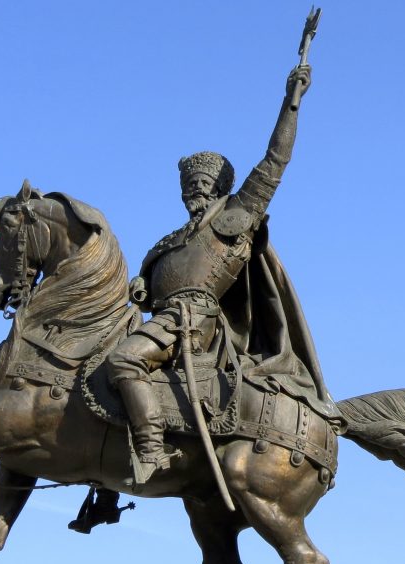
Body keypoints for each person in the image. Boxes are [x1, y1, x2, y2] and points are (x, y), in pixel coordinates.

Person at [106, 63, 325, 485]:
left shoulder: (236, 216)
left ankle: (151, 450)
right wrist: (140, 286)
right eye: (189, 185)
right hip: (162, 318)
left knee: (124, 361)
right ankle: (104, 489)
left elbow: (275, 161)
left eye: (202, 184)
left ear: (219, 187)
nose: (194, 191)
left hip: (194, 323)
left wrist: (291, 103)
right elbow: (152, 287)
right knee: (93, 373)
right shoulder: (171, 240)